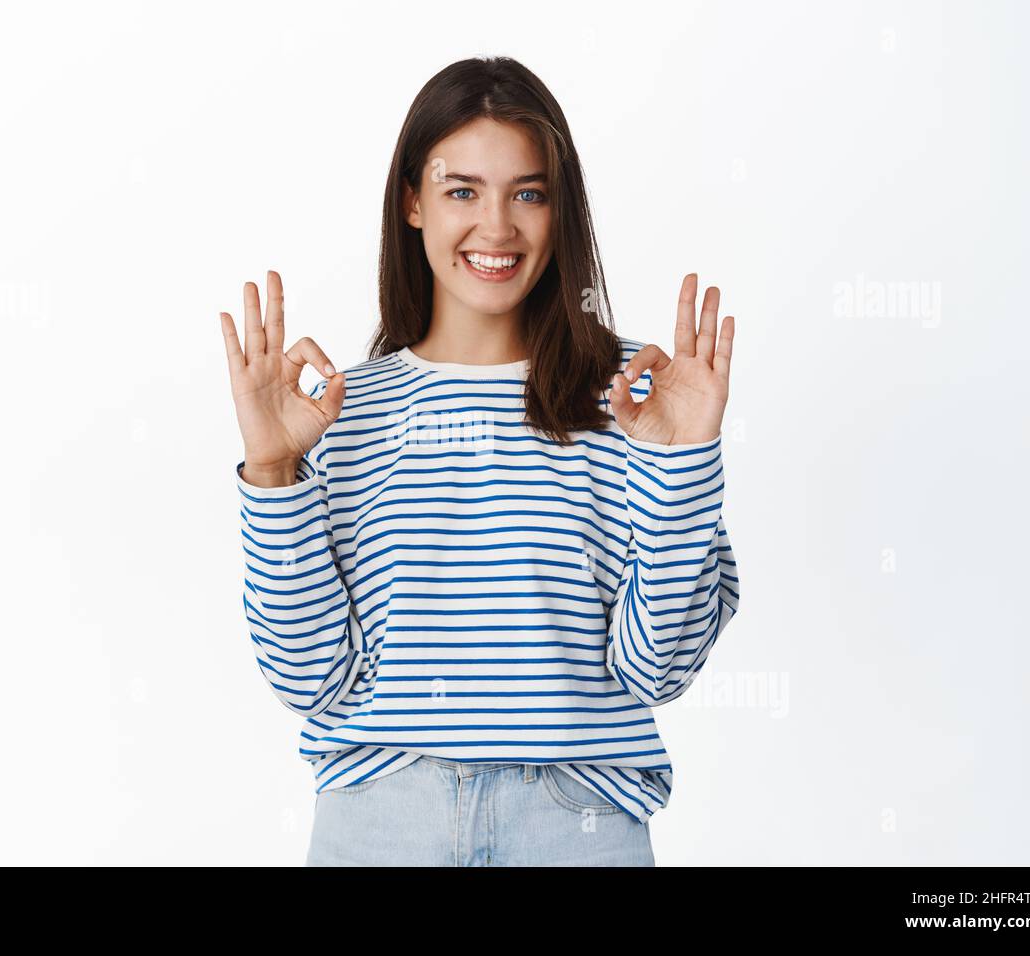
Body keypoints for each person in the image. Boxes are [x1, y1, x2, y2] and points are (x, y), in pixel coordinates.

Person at [219, 56, 740, 866]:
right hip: (382, 817)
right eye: (463, 189)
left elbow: (656, 671)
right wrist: (273, 471)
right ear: (413, 201)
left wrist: (686, 461)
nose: (497, 227)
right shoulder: (337, 411)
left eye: (527, 193)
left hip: (576, 821)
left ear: (559, 210)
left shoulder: (642, 394)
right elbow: (307, 679)